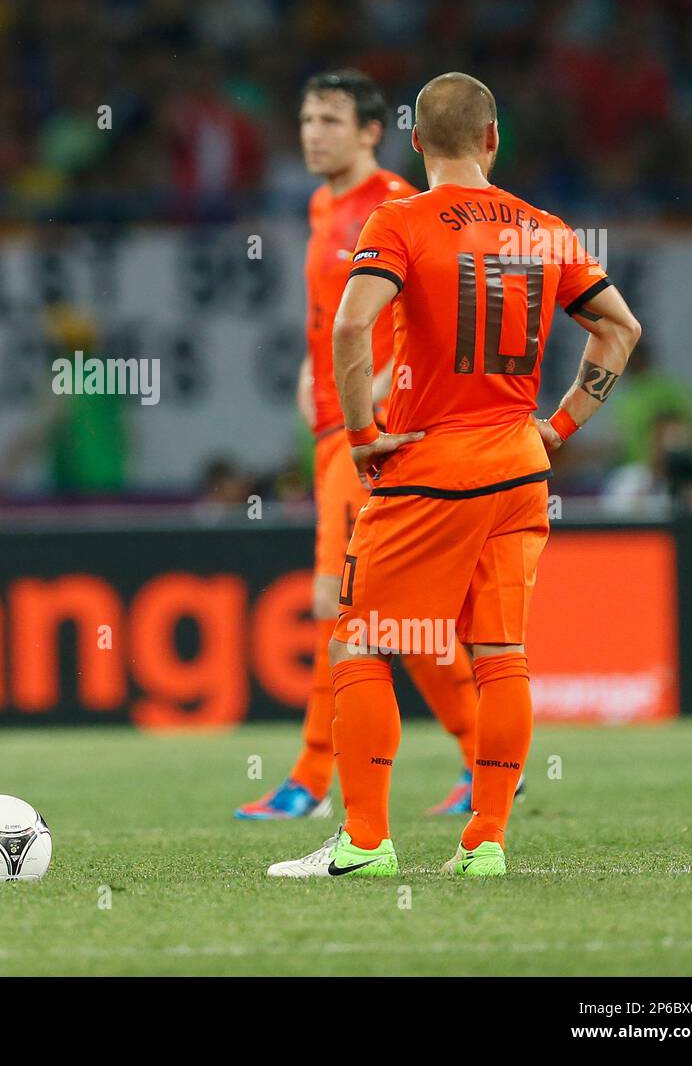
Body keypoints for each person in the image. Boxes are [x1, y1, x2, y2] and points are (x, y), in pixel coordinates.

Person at [268, 72, 640, 877]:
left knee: (361, 643)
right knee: (501, 652)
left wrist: (363, 431)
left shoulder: (400, 219)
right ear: (493, 138)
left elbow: (353, 324)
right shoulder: (545, 228)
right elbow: (620, 326)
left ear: (413, 140)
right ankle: (486, 844)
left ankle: (364, 844)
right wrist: (562, 424)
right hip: (519, 468)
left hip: (429, 467)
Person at [235, 70, 482, 822]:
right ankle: (483, 758)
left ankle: (313, 779)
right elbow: (334, 309)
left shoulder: (400, 206)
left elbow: (439, 309)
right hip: (332, 428)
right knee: (387, 614)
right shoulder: (321, 205)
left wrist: (377, 385)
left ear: (373, 132)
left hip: (378, 434)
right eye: (307, 118)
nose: (314, 132)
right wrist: (318, 364)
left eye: (331, 120)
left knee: (345, 605)